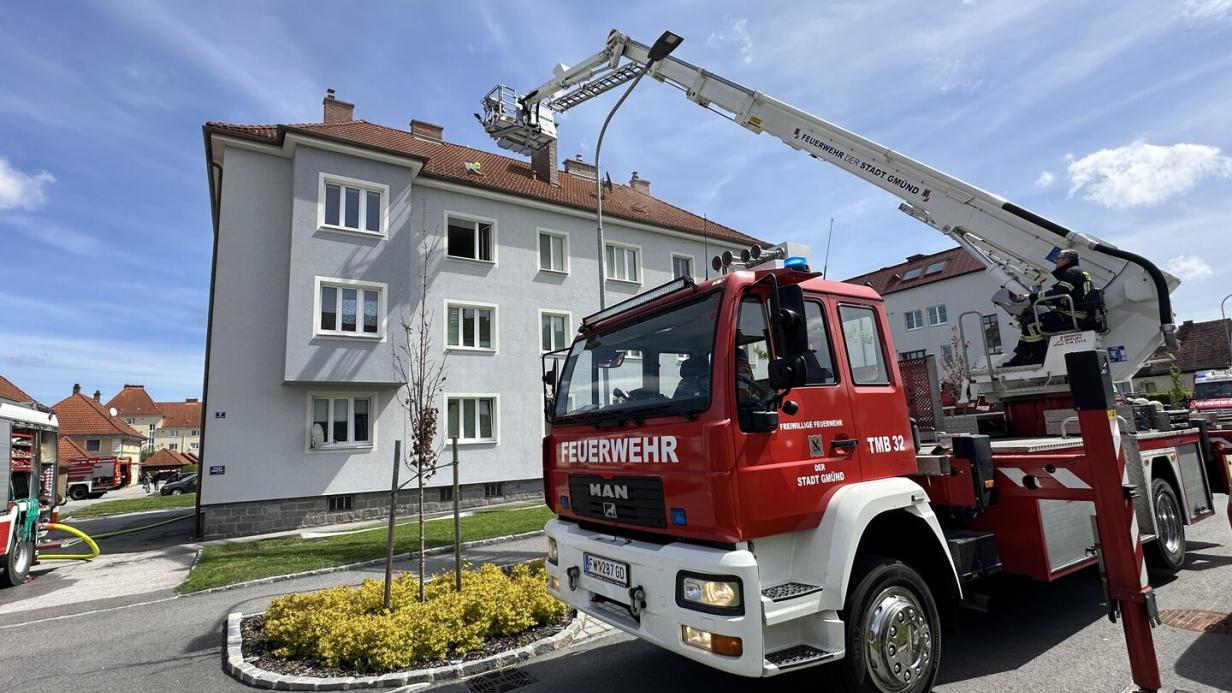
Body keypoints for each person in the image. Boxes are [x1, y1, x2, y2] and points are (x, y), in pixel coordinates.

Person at [1002, 249, 1095, 367]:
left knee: (1031, 324)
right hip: (1076, 312)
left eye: (1058, 258)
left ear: (1066, 259)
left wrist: (1030, 297)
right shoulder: (1077, 272)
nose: (1056, 261)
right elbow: (1060, 294)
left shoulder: (1071, 273)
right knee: (1028, 324)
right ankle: (1020, 356)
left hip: (1073, 314)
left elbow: (1056, 294)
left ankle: (1039, 357)